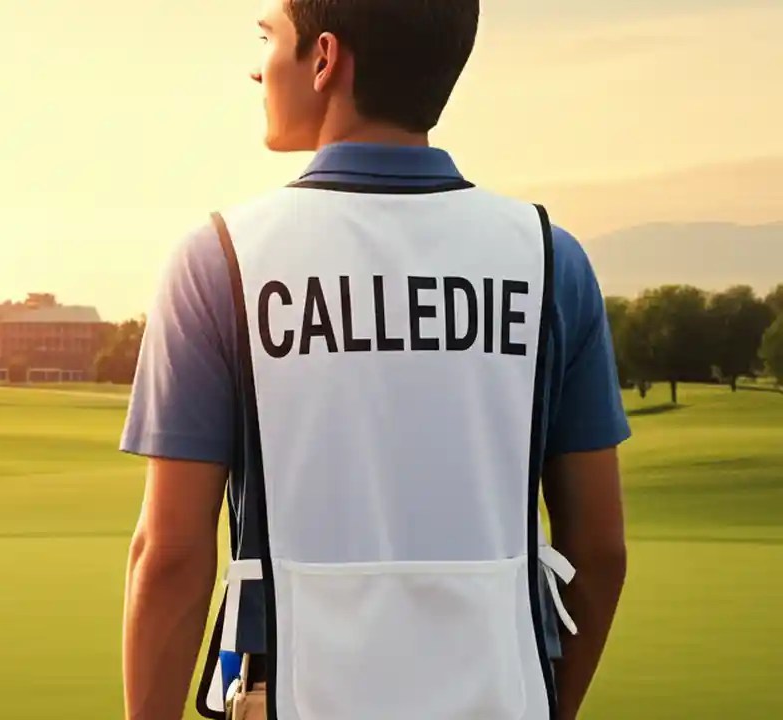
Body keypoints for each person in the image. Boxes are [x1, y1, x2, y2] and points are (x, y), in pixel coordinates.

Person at [119, 0, 630, 719]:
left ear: (324, 59)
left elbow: (170, 557)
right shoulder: (551, 259)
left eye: (269, 38)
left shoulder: (219, 259)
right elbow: (599, 550)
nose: (258, 67)